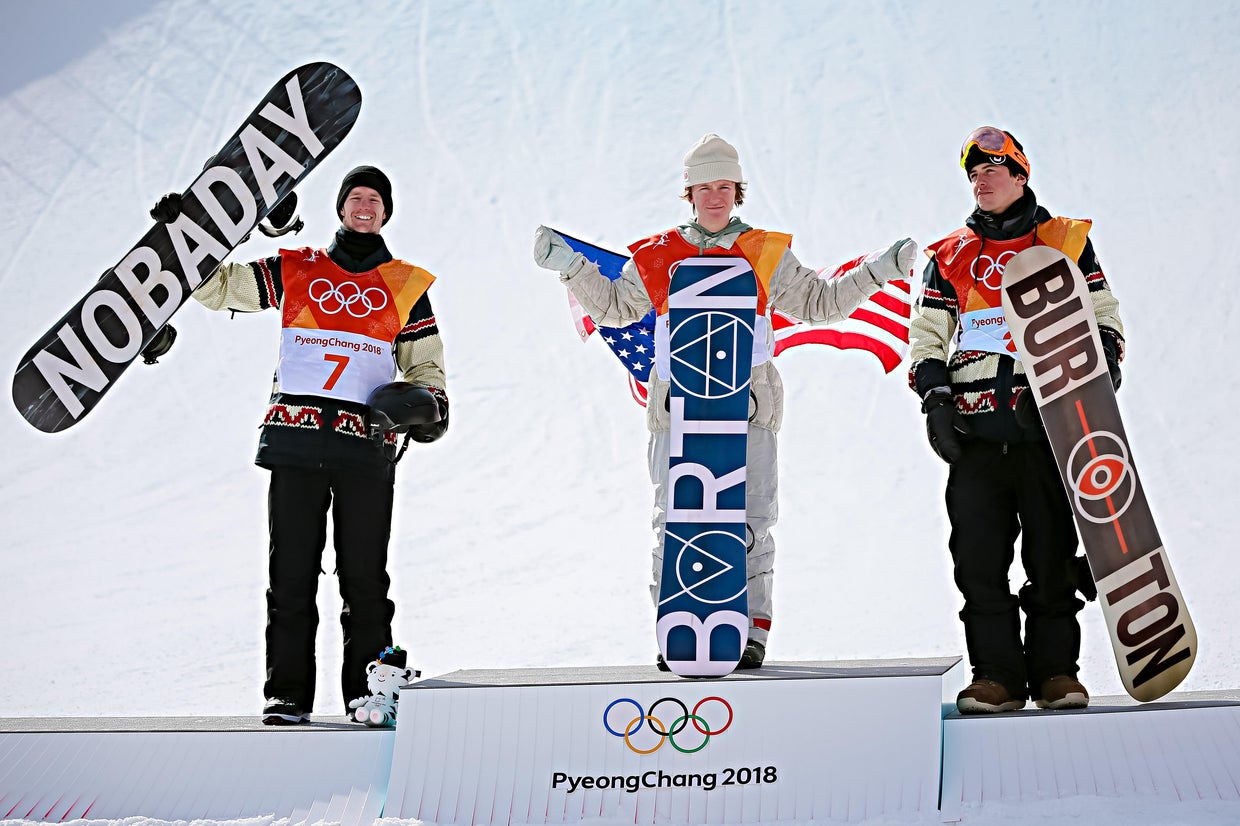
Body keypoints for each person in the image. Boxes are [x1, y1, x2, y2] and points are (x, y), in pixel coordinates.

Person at [533, 133, 915, 669]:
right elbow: (617, 308)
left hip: (748, 407)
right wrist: (571, 267)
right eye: (704, 187)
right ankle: (677, 630)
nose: (715, 197)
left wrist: (880, 269)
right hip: (678, 408)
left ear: (738, 191)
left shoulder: (764, 251)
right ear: (689, 193)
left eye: (725, 186)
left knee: (751, 519)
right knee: (676, 519)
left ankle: (751, 629)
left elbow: (818, 303)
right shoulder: (659, 254)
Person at [151, 165, 449, 724]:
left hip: (366, 450)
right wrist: (182, 236)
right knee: (290, 576)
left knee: (366, 581)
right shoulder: (299, 266)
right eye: (356, 197)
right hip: (295, 443)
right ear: (341, 207)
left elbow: (425, 365)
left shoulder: (407, 284)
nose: (365, 206)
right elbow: (221, 288)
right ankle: (287, 695)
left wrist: (432, 407)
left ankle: (369, 693)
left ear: (386, 212)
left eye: (375, 199)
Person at [909, 127, 1124, 713]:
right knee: (978, 563)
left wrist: (1103, 366)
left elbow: (1102, 311)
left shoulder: (1064, 241)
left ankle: (1056, 672)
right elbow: (927, 333)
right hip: (977, 433)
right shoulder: (951, 254)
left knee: (1052, 558)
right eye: (974, 174)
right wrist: (936, 401)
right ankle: (996, 677)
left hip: (1051, 427)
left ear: (1020, 175)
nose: (981, 181)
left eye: (992, 170)